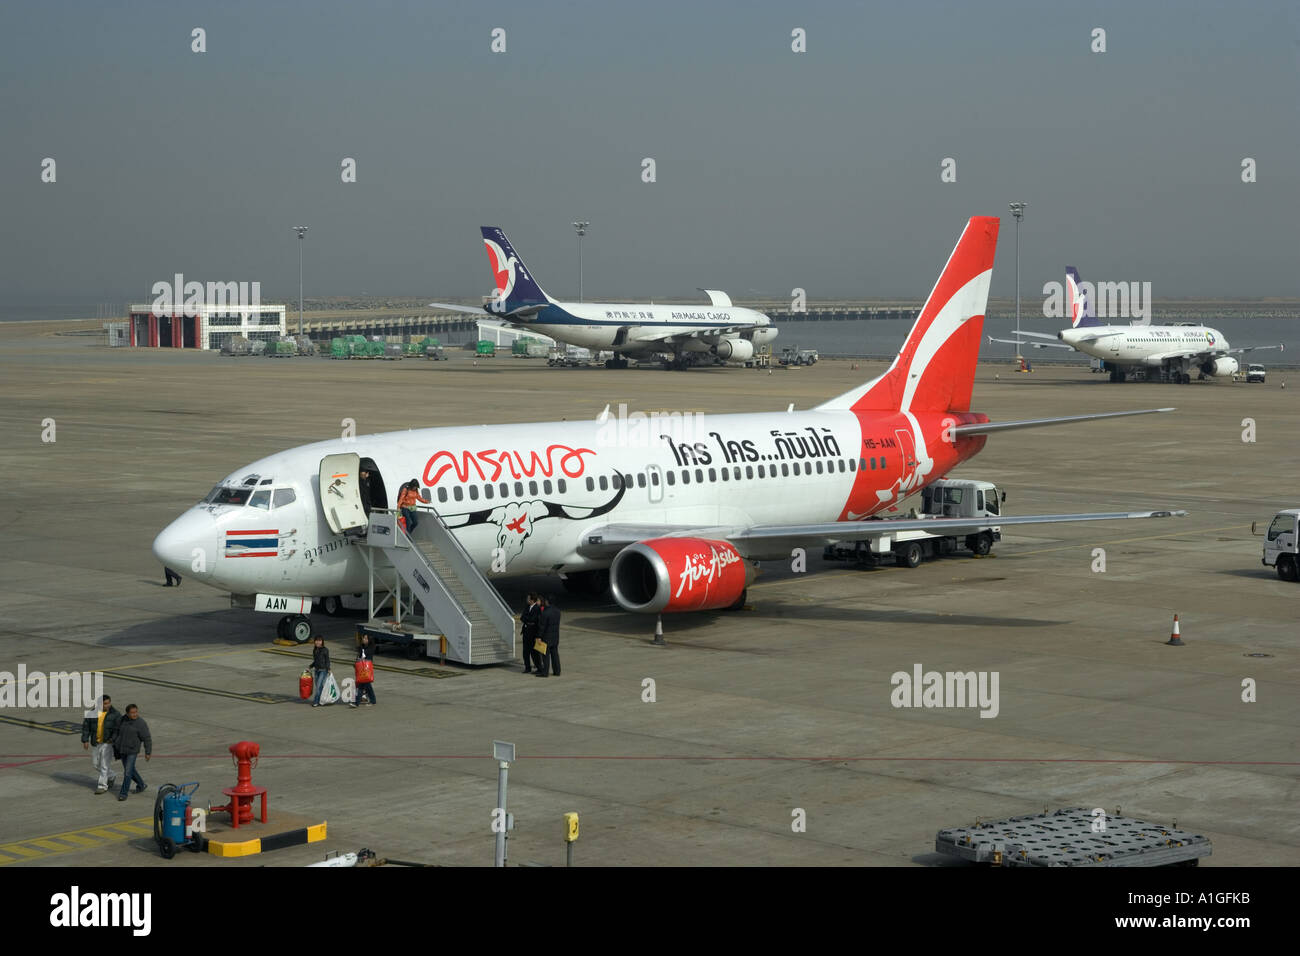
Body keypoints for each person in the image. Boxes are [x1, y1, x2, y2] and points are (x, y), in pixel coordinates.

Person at [80, 694, 121, 794]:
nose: (106, 705)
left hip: (108, 743)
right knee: (96, 764)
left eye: (107, 703)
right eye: (103, 704)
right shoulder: (91, 713)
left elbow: (118, 729)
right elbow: (86, 727)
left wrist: (113, 739)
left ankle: (102, 786)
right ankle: (111, 775)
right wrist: (85, 740)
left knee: (104, 765)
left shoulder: (116, 714)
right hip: (96, 742)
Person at [112, 704, 151, 801]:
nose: (135, 714)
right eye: (132, 713)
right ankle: (141, 785)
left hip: (132, 751)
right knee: (131, 770)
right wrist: (114, 740)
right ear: (127, 713)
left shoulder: (141, 723)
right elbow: (116, 730)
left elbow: (147, 738)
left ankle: (123, 794)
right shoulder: (122, 720)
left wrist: (148, 752)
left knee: (127, 773)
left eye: (136, 712)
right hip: (122, 750)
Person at [536, 594, 561, 678]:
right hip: (555, 636)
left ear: (547, 602)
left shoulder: (545, 613)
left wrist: (539, 637)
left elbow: (542, 627)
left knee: (545, 656)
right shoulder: (558, 611)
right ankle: (557, 671)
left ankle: (545, 672)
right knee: (555, 654)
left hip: (546, 637)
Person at [351, 633, 377, 707]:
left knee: (362, 686)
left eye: (366, 638)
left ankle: (357, 703)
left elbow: (366, 656)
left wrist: (361, 651)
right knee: (365, 686)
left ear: (369, 640)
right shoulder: (362, 647)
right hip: (361, 669)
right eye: (363, 638)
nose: (364, 639)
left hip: (366, 669)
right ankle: (372, 701)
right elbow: (359, 657)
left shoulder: (371, 648)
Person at [520, 592, 541, 674]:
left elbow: (533, 620)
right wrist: (528, 620)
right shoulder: (527, 607)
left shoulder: (537, 608)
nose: (527, 600)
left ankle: (539, 667)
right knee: (525, 652)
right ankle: (527, 667)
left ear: (532, 600)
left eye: (528, 598)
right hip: (526, 632)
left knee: (534, 652)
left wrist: (527, 620)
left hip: (533, 633)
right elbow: (522, 618)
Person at [310, 636, 330, 707]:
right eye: (316, 641)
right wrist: (311, 666)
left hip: (323, 670)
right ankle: (322, 700)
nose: (318, 642)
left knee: (318, 686)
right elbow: (316, 661)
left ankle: (316, 701)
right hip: (316, 670)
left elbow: (327, 660)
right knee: (319, 686)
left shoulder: (325, 650)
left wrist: (329, 669)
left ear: (322, 642)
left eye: (319, 641)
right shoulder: (315, 650)